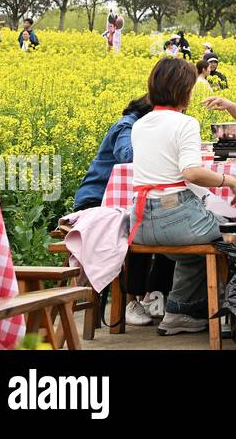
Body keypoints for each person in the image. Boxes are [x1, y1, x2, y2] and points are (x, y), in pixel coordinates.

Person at [130, 58, 236, 336]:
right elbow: (191, 172)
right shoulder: (185, 123)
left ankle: (178, 315)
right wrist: (229, 181)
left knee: (194, 252)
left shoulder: (140, 124)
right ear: (184, 90)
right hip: (177, 222)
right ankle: (233, 313)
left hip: (142, 224)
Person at [73, 94, 172, 327]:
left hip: (129, 202)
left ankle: (155, 294)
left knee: (168, 220)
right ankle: (132, 301)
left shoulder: (139, 126)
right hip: (97, 202)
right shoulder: (126, 126)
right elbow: (129, 157)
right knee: (140, 222)